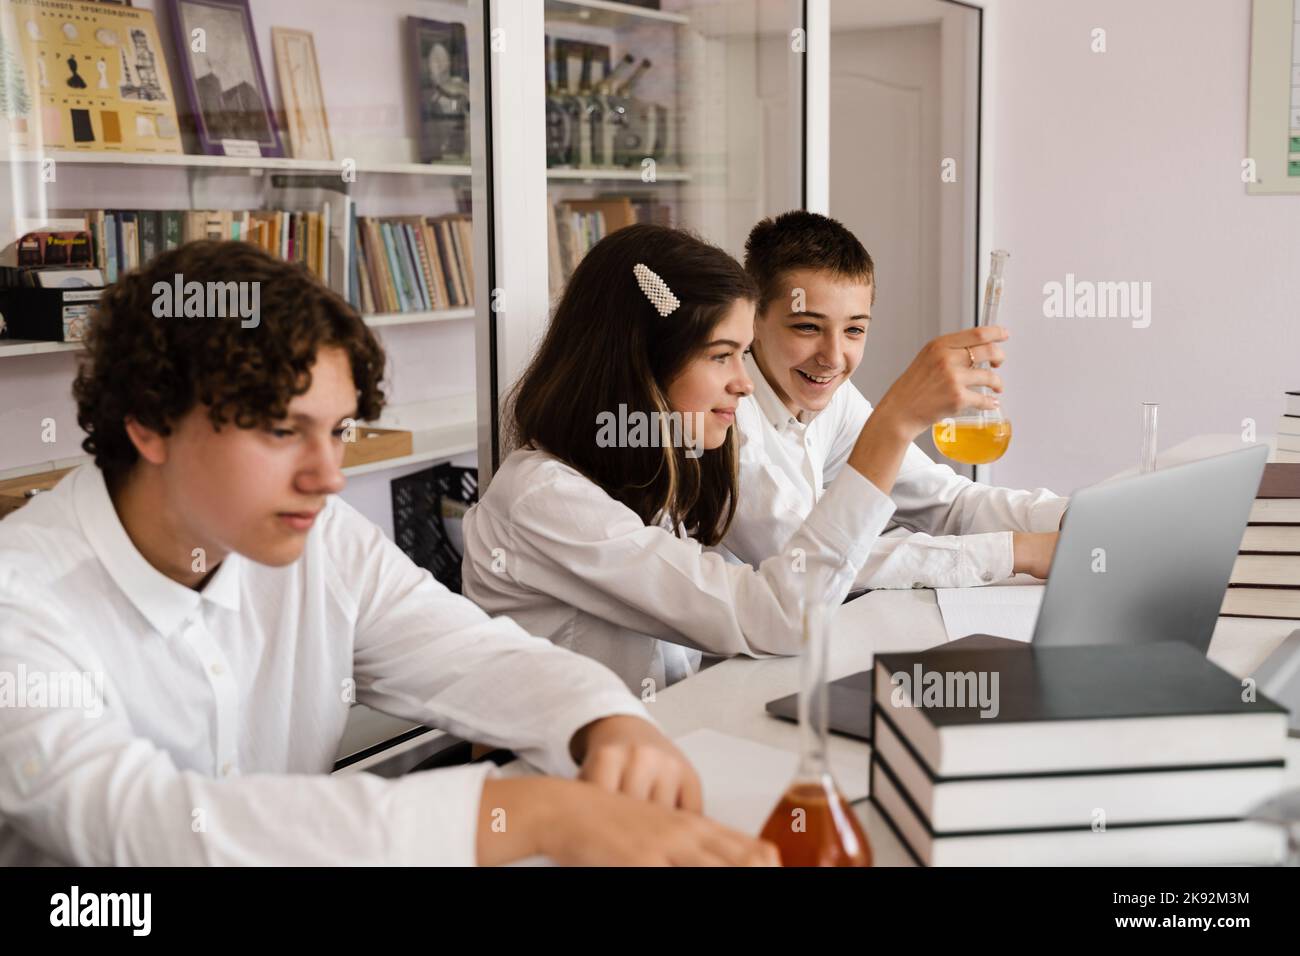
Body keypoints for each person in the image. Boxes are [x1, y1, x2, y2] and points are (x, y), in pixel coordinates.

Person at [0, 240, 776, 867]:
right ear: (148, 424)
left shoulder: (321, 538)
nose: (327, 475)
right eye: (281, 431)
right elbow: (143, 828)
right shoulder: (21, 598)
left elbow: (473, 654)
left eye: (337, 431)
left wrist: (602, 721)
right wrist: (524, 814)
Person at [462, 223, 1007, 693]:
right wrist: (893, 425)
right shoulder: (546, 500)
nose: (745, 385)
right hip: (568, 788)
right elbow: (778, 616)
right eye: (722, 356)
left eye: (742, 354)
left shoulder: (655, 476)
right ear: (642, 365)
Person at [725, 210, 1067, 590]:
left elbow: (947, 504)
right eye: (808, 327)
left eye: (854, 329)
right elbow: (810, 562)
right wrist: (1019, 553)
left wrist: (1076, 520)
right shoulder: (722, 419)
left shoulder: (832, 400)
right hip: (734, 650)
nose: (834, 357)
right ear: (752, 320)